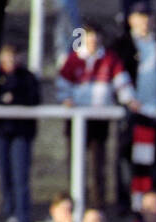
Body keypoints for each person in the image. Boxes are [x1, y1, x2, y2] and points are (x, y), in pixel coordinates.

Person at [58, 22, 134, 210]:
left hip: (99, 119)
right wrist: (66, 99)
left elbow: (122, 82)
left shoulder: (109, 59)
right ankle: (76, 204)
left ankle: (97, 205)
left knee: (97, 164)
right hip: (76, 119)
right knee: (75, 162)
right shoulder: (73, 59)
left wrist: (130, 99)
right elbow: (62, 85)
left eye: (96, 36)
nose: (93, 40)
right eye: (89, 36)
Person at [113, 2, 156, 211]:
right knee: (128, 158)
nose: (144, 21)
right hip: (130, 113)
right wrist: (127, 99)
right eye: (139, 17)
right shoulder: (120, 45)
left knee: (155, 159)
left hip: (155, 111)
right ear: (131, 20)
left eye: (148, 17)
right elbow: (114, 74)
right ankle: (127, 203)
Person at [0, 43, 39, 222]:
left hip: (21, 133)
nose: (11, 61)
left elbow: (33, 98)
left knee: (20, 176)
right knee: (4, 174)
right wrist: (1, 100)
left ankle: (23, 218)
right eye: (7, 56)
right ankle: (10, 213)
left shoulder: (27, 77)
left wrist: (13, 99)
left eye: (14, 56)